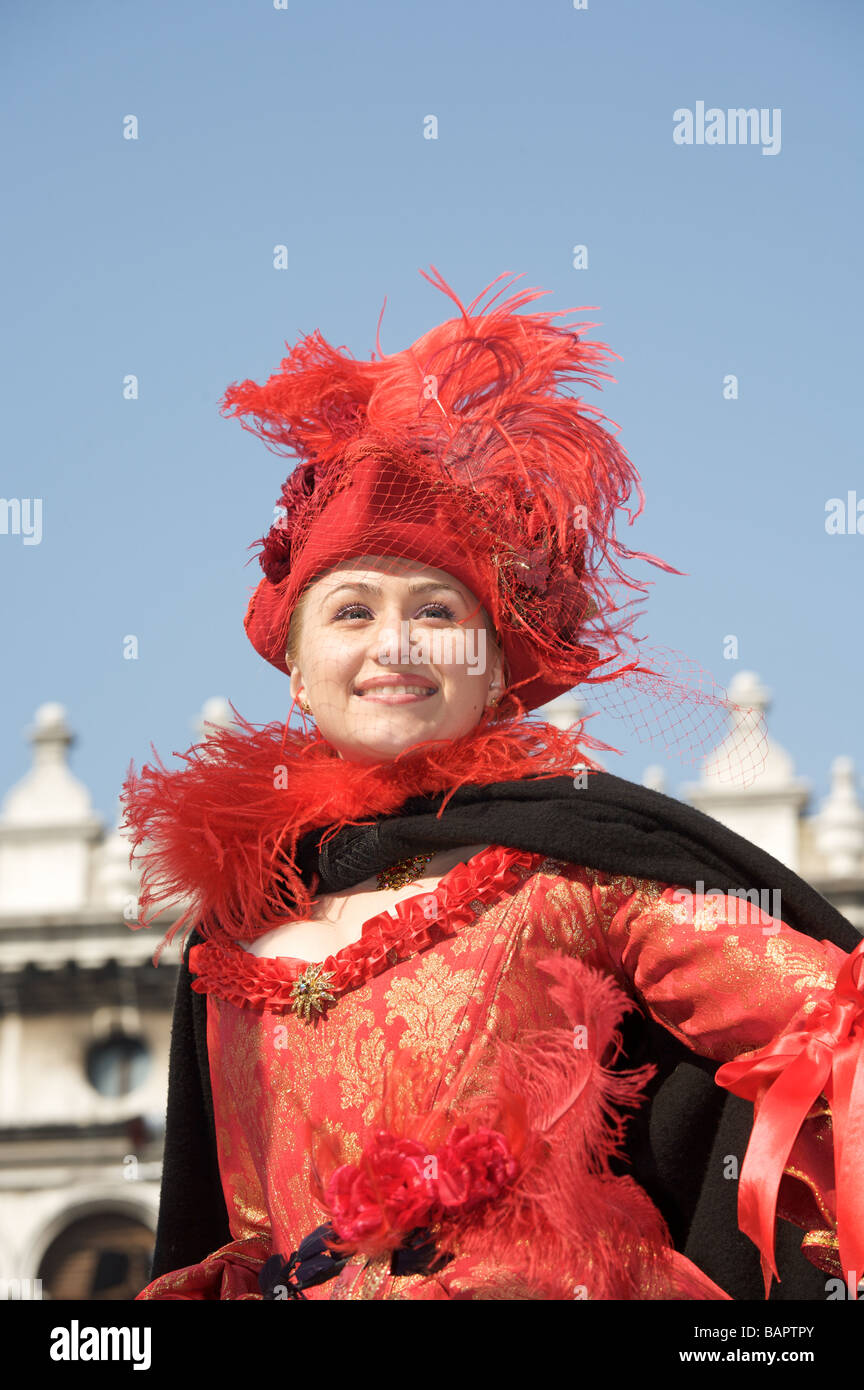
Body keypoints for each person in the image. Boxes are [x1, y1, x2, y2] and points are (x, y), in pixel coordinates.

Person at [120, 268, 864, 1301]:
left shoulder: (573, 870)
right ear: (295, 667)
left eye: (436, 611)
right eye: (352, 611)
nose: (394, 644)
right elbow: (249, 1219)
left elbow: (832, 1020)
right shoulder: (235, 931)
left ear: (495, 666)